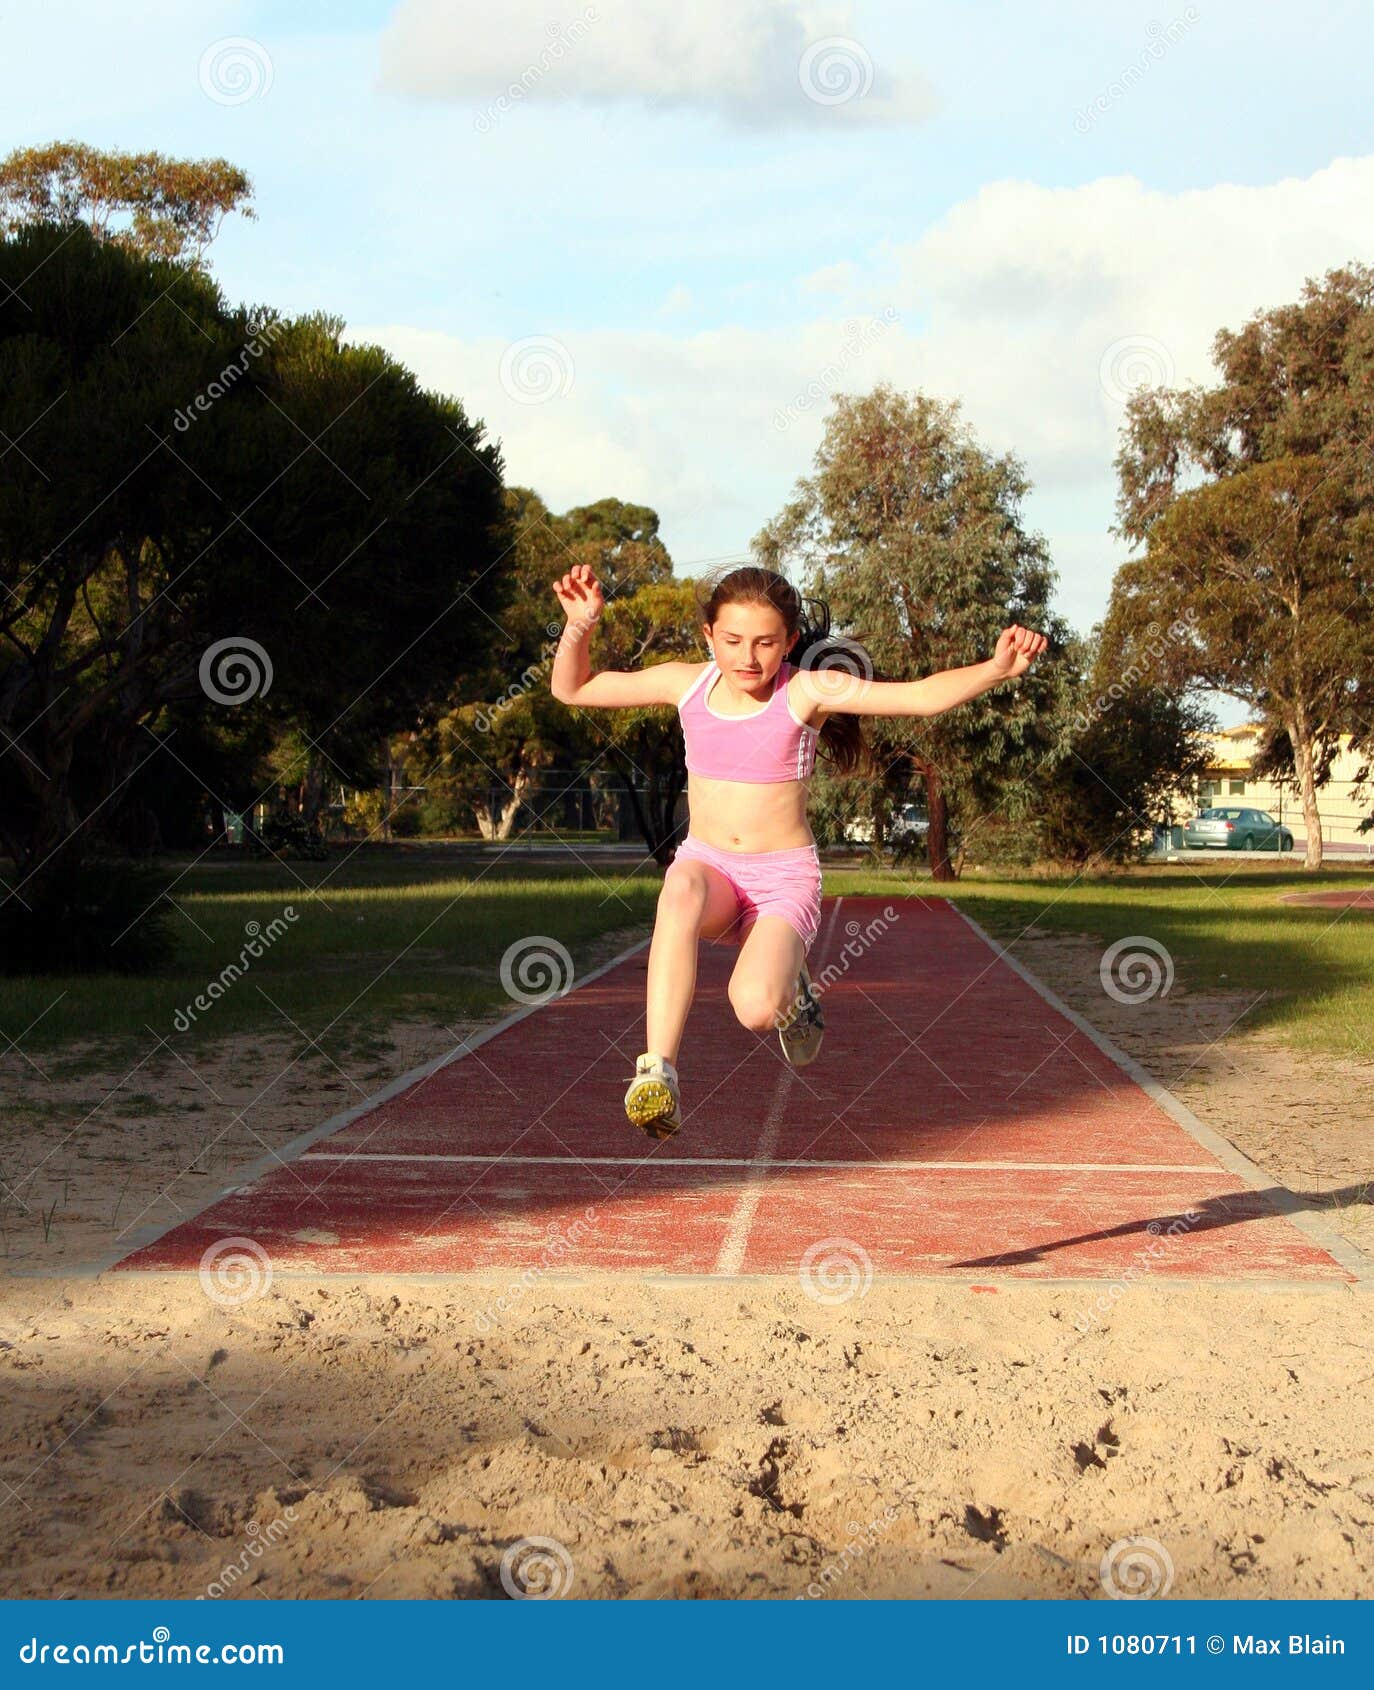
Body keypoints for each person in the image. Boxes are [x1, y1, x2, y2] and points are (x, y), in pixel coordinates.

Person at [549, 562, 1048, 1140]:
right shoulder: (685, 682)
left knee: (754, 1008)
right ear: (708, 636)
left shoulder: (806, 690)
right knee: (679, 887)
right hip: (710, 868)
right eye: (732, 641)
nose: (747, 658)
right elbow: (574, 688)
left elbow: (918, 699)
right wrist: (580, 626)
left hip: (781, 880)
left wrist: (995, 669)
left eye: (765, 643)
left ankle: (794, 995)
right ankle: (657, 1070)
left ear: (789, 642)